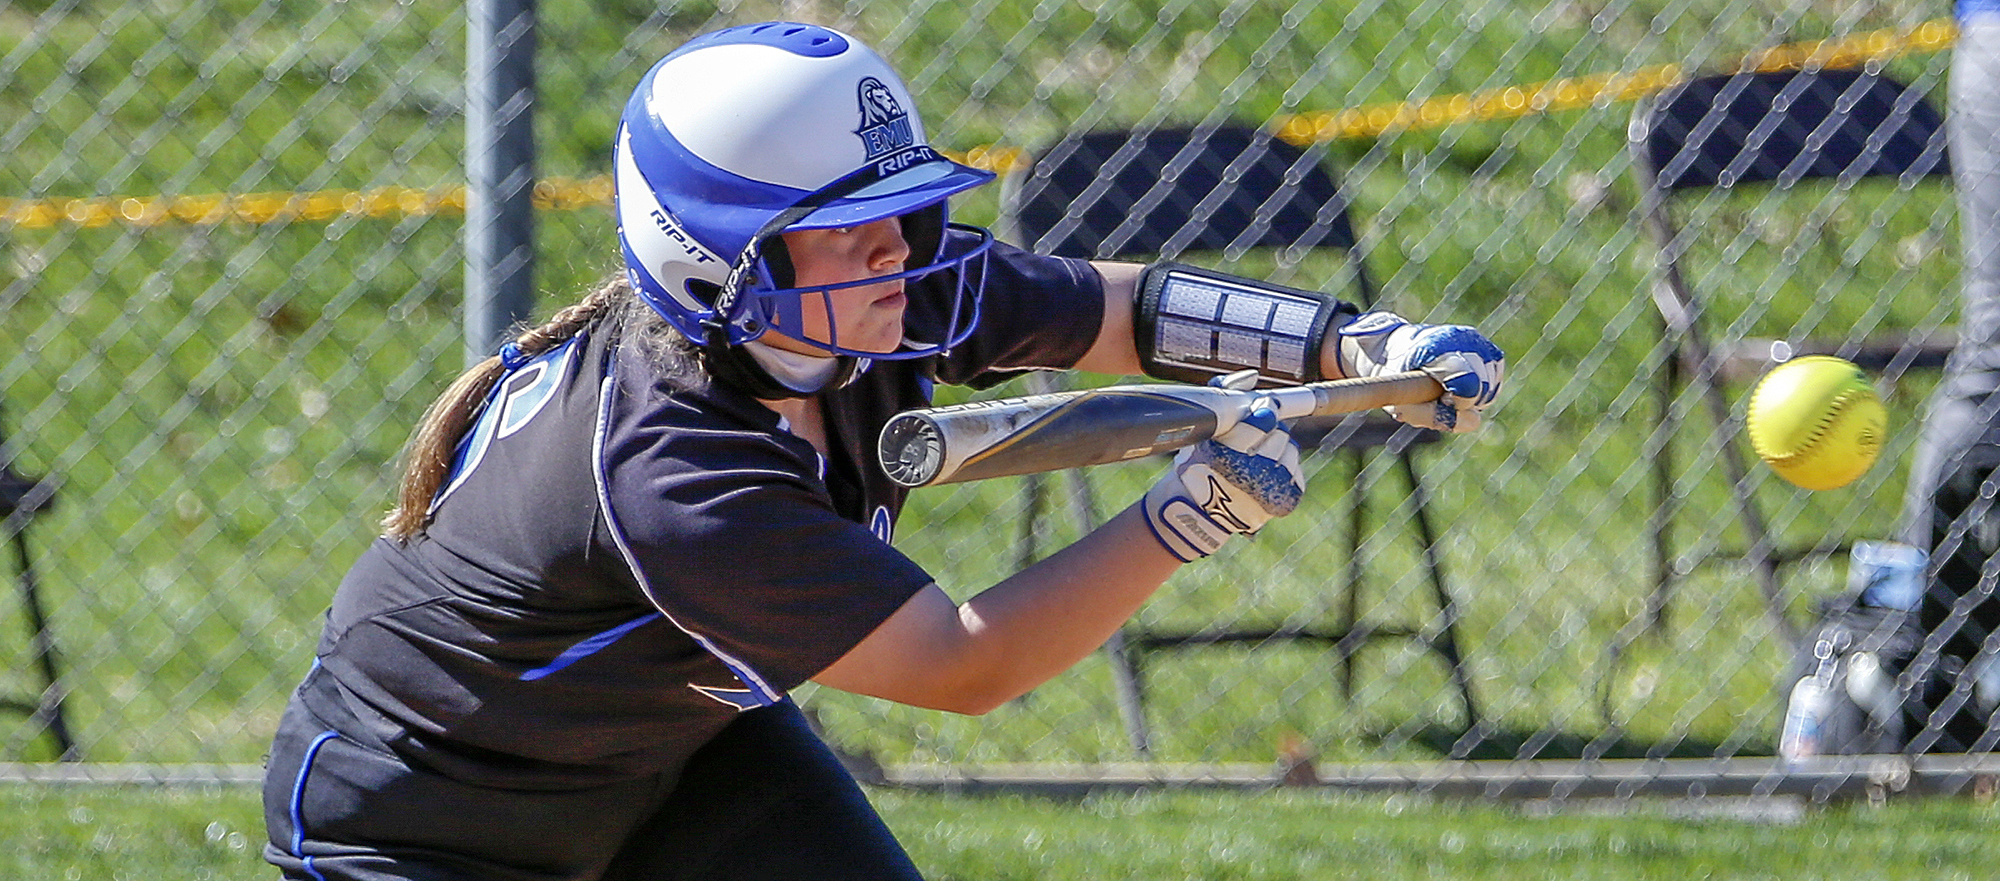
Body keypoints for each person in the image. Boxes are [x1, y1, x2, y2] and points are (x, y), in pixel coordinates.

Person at [260, 21, 1503, 881]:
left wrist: (1351, 345)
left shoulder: (885, 296)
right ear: (719, 264)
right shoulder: (672, 465)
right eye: (846, 232)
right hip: (425, 822)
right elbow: (963, 665)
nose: (896, 255)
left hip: (669, 751)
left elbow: (1119, 310)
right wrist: (1186, 518)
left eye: (900, 218)